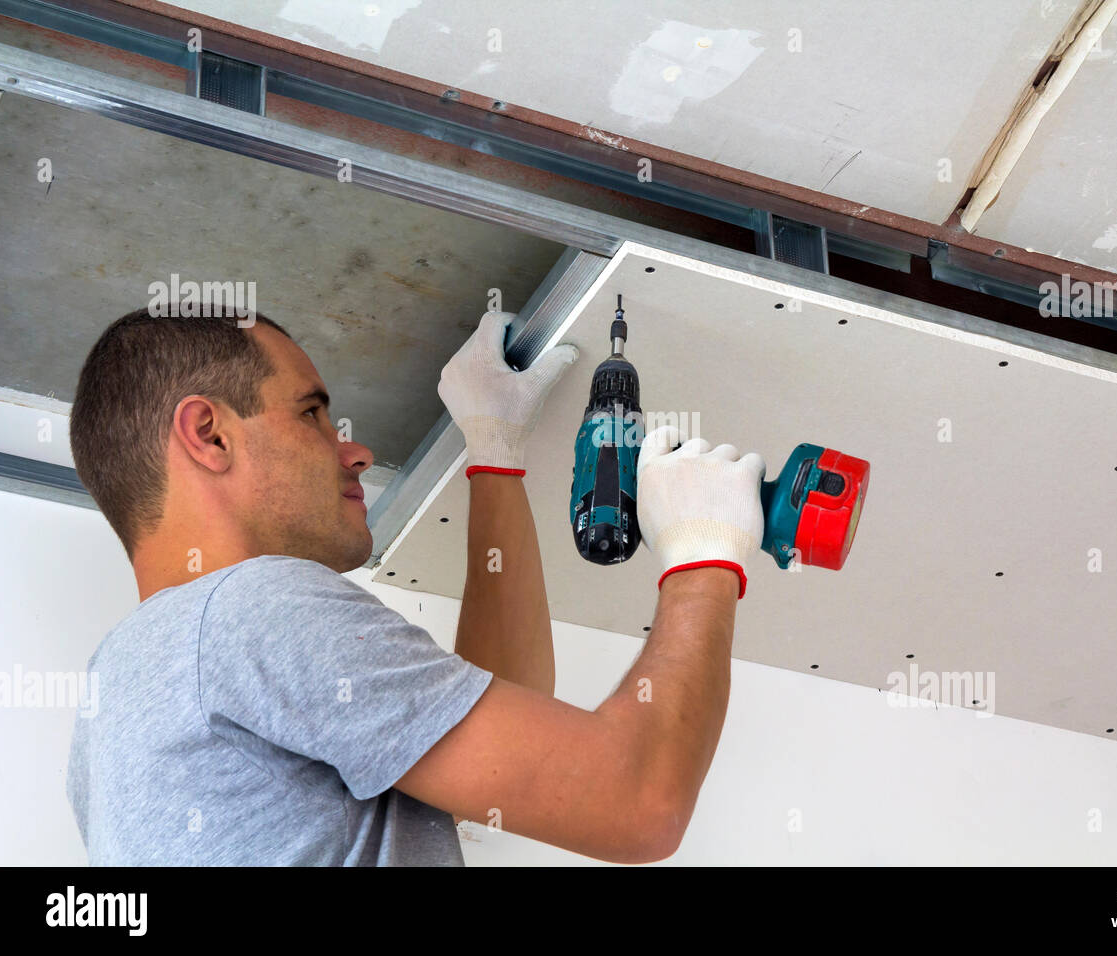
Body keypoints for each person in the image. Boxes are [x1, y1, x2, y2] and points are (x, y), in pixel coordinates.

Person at [66, 305, 765, 865]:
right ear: (209, 436)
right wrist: (705, 557)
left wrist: (495, 455)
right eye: (311, 413)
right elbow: (637, 805)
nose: (356, 450)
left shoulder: (122, 694)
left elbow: (498, 743)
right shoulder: (254, 608)